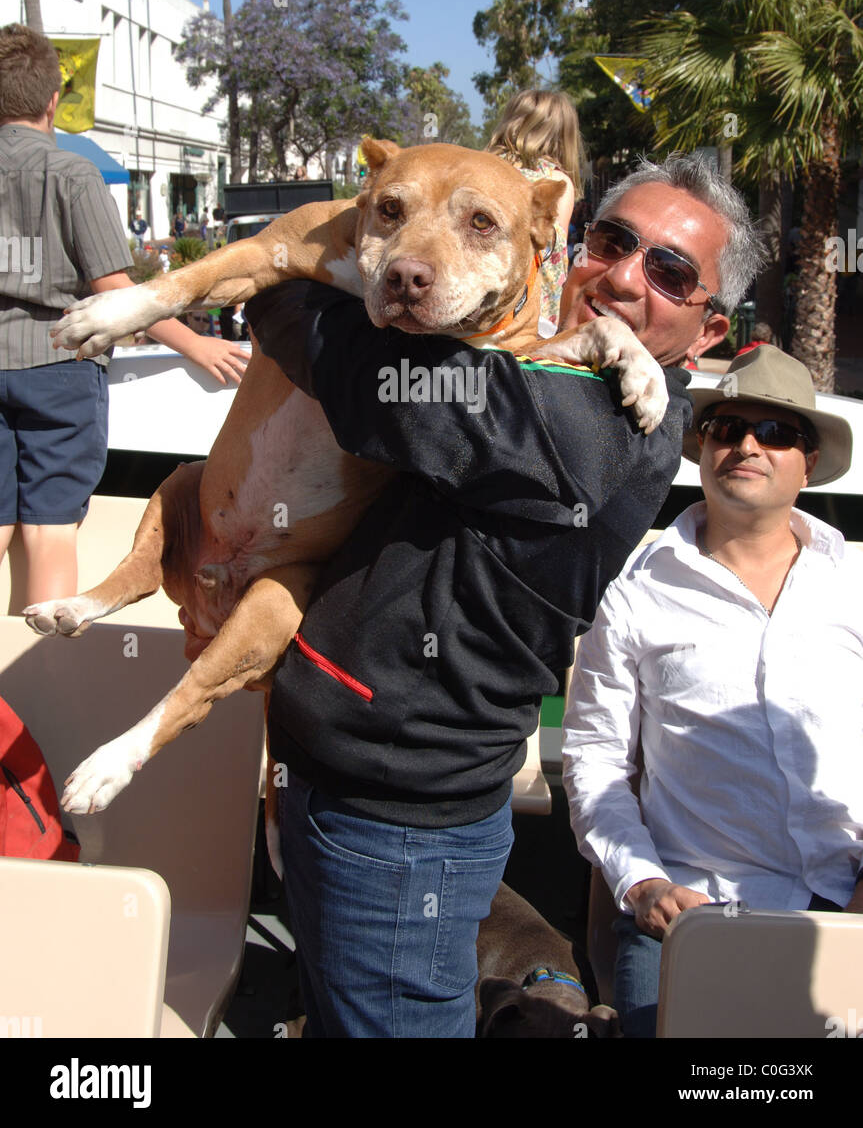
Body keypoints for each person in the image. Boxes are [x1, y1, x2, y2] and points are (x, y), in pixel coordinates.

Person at [242, 151, 764, 1038]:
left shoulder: (589, 421)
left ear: (706, 331)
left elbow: (355, 373)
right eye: (612, 240)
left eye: (670, 272)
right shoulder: (547, 368)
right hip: (358, 791)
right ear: (570, 244)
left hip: (395, 821)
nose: (625, 276)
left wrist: (273, 273)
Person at [562, 344, 862, 1038]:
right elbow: (594, 759)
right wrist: (642, 884)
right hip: (688, 923)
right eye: (727, 428)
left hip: (843, 914)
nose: (747, 445)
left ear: (807, 461)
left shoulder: (851, 586)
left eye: (776, 433)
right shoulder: (634, 590)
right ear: (702, 449)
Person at [0, 24, 249, 604]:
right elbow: (116, 291)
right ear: (52, 101)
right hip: (57, 368)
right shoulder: (71, 176)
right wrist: (197, 344)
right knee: (48, 530)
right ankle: (40, 685)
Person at [486, 89, 584, 333]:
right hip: (533, 306)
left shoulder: (487, 169)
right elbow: (553, 250)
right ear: (565, 135)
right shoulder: (556, 181)